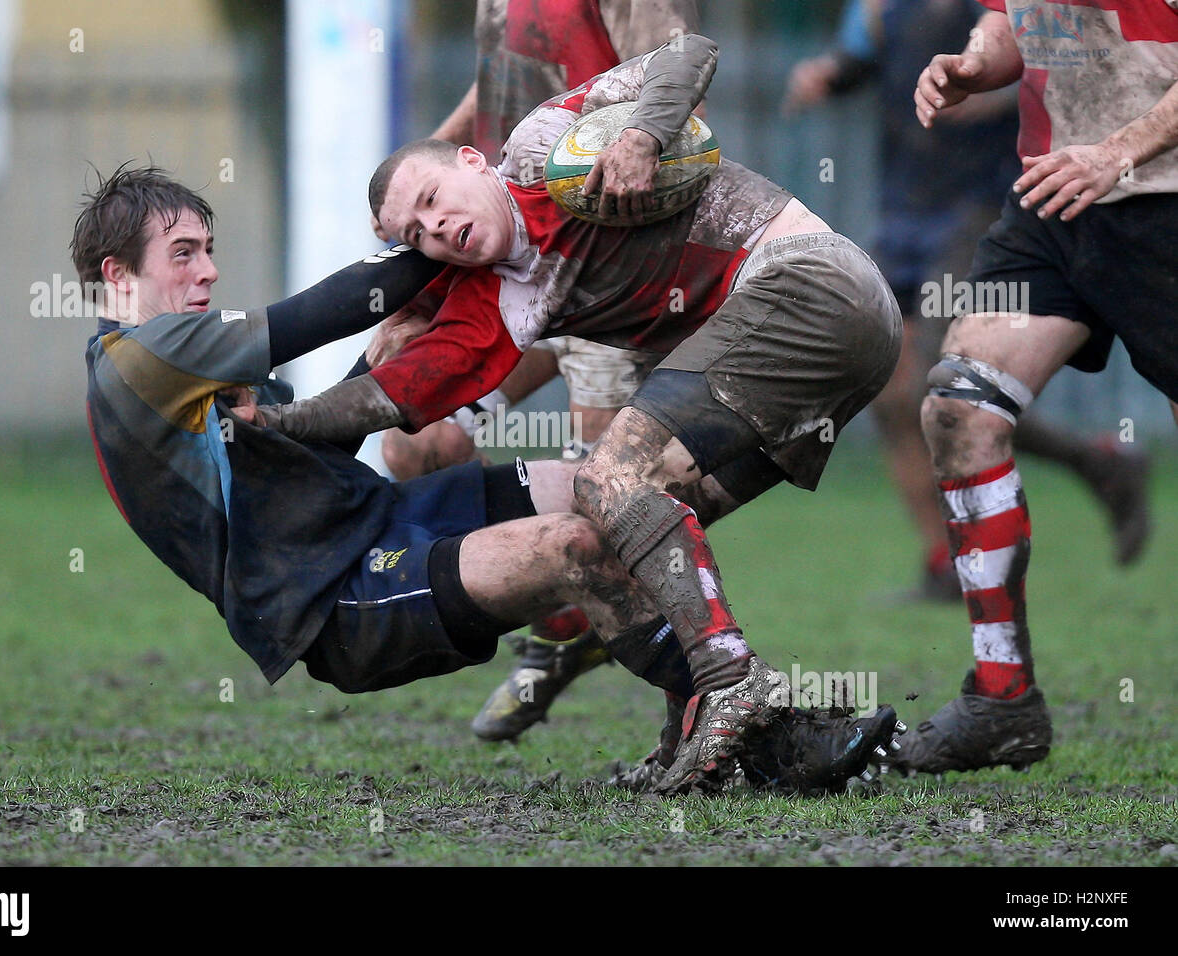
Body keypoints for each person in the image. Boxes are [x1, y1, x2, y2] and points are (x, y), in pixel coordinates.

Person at [76, 163, 896, 794]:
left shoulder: (168, 371)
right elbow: (323, 309)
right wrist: (469, 228)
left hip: (378, 518)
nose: (208, 273)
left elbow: (316, 467)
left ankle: (699, 720)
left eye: (209, 252)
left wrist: (380, 356)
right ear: (118, 276)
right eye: (183, 255)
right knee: (581, 546)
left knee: (618, 488)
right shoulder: (135, 363)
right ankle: (767, 737)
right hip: (340, 600)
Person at [253, 36, 906, 794]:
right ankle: (729, 733)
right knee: (621, 536)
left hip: (815, 283)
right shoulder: (494, 303)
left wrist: (640, 135)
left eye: (431, 202)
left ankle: (733, 681)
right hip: (821, 343)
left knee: (607, 477)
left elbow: (688, 53)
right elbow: (391, 400)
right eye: (416, 237)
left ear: (471, 161)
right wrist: (278, 422)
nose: (435, 231)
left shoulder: (538, 145)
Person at [379, 0, 700, 744]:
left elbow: (680, 94)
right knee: (418, 438)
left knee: (614, 500)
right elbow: (502, 90)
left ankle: (692, 695)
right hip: (506, 260)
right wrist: (415, 177)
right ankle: (559, 612)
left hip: (597, 259)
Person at [891, 1, 1178, 774]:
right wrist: (977, 62)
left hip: (1165, 202)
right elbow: (1013, 17)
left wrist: (1116, 152)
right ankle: (1002, 700)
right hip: (1056, 203)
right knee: (957, 408)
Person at [784, 0, 1150, 600]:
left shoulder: (1012, 8)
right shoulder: (879, 6)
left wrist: (997, 87)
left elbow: (1071, 64)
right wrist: (826, 74)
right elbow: (859, 58)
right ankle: (945, 561)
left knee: (940, 382)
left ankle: (1084, 473)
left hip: (984, 201)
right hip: (905, 203)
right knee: (888, 389)